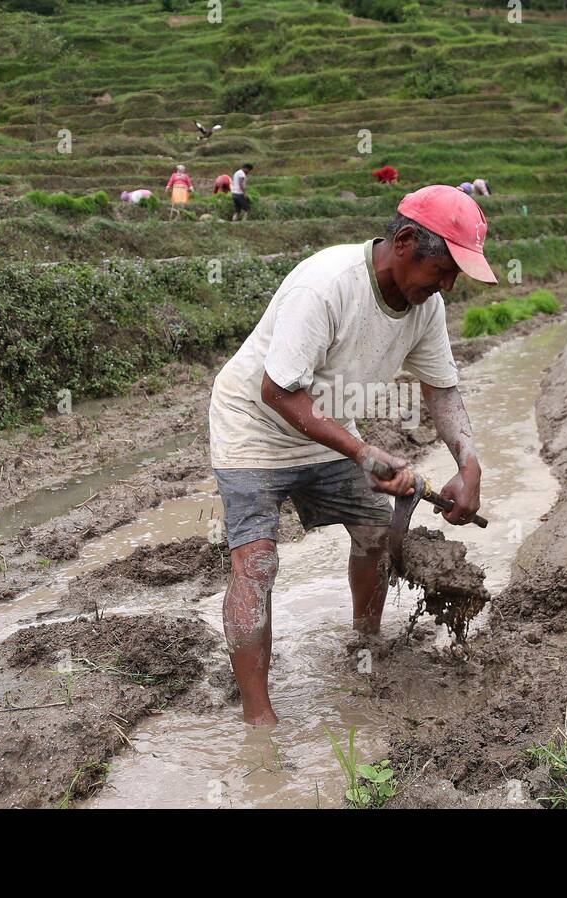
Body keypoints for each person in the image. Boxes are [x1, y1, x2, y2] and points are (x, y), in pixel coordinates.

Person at [208, 185, 494, 725]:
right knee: (258, 562)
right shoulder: (326, 286)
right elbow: (277, 391)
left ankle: (366, 642)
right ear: (406, 241)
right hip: (253, 426)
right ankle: (258, 718)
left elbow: (441, 388)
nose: (447, 286)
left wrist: (468, 462)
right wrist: (362, 452)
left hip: (328, 427)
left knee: (374, 536)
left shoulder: (423, 306)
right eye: (445, 269)